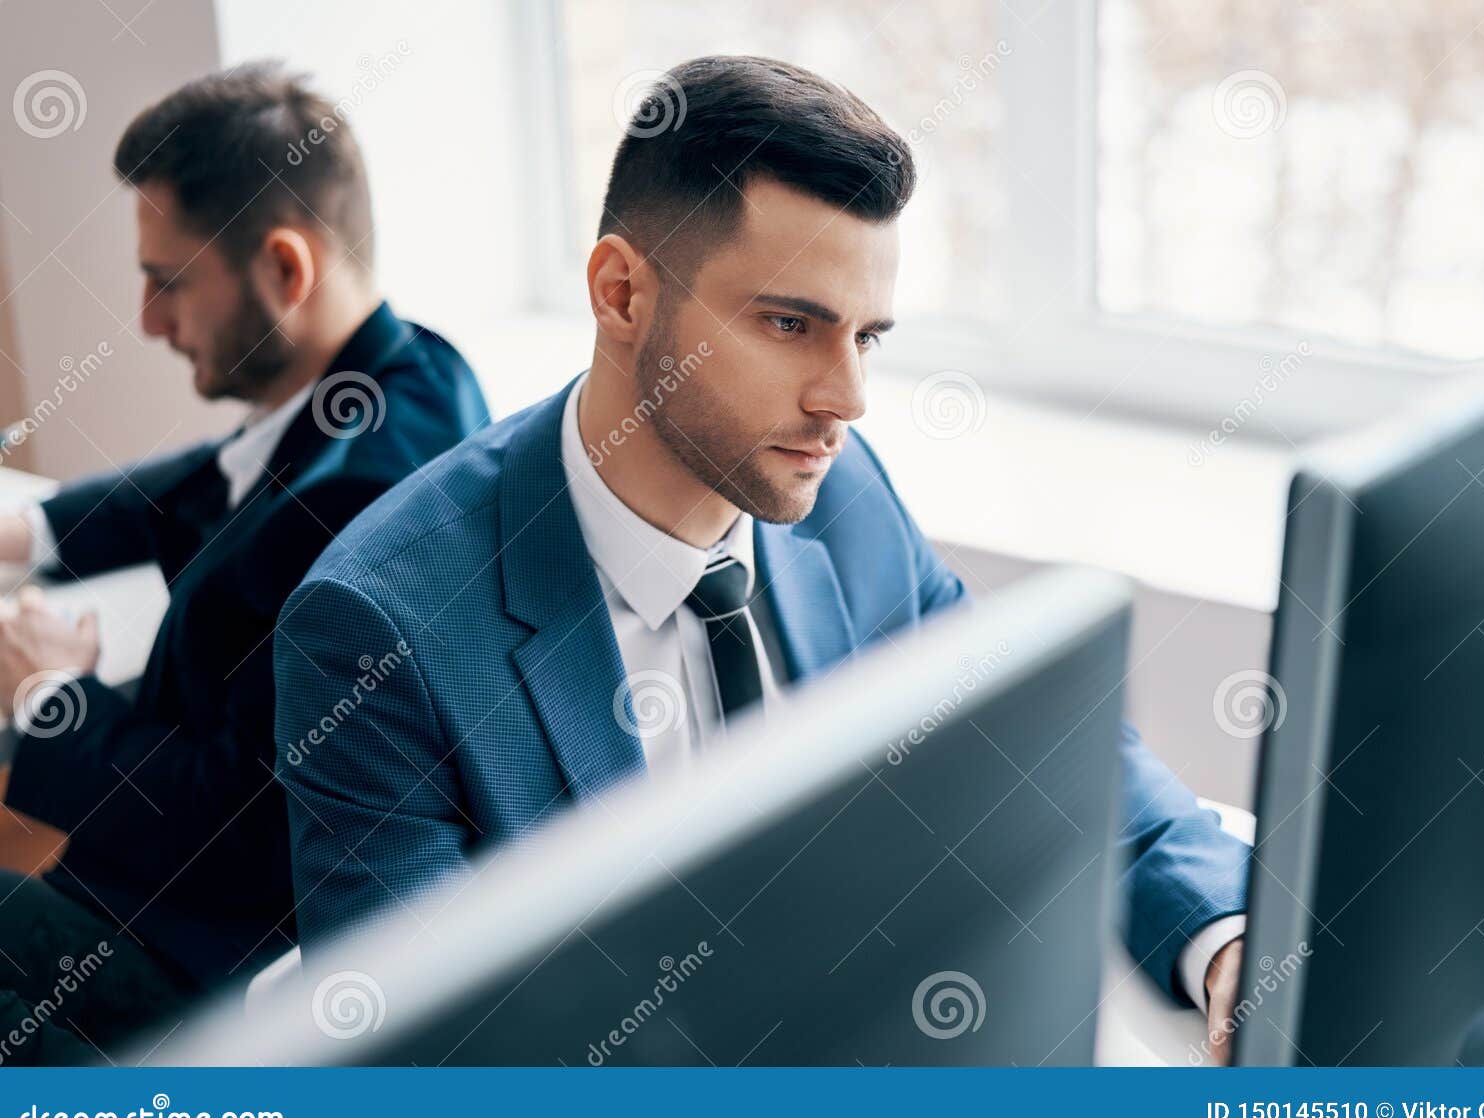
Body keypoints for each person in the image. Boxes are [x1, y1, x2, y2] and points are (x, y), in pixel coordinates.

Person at [274, 55, 1249, 1059]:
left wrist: (1223, 937)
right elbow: (414, 1062)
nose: (846, 397)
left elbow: (1025, 749)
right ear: (620, 293)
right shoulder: (375, 630)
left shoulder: (842, 496)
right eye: (791, 324)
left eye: (867, 335)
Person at [0, 65, 490, 1063]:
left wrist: (52, 693)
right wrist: (28, 530)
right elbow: (218, 471)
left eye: (167, 279)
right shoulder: (413, 374)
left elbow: (236, 830)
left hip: (198, 959)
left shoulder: (347, 505)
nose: (147, 320)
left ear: (284, 268)